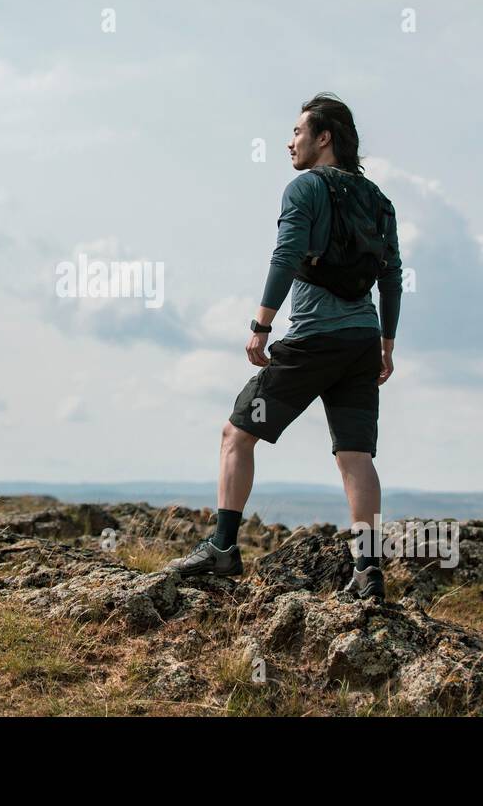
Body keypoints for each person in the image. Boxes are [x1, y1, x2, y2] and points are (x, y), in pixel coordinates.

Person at [165, 92, 402, 601]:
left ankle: (223, 547)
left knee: (236, 432)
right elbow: (392, 277)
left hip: (314, 338)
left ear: (323, 138)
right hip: (362, 341)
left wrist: (262, 324)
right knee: (356, 454)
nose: (289, 141)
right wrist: (386, 345)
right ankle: (367, 571)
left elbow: (288, 253)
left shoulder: (305, 188)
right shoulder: (380, 202)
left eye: (297, 131)